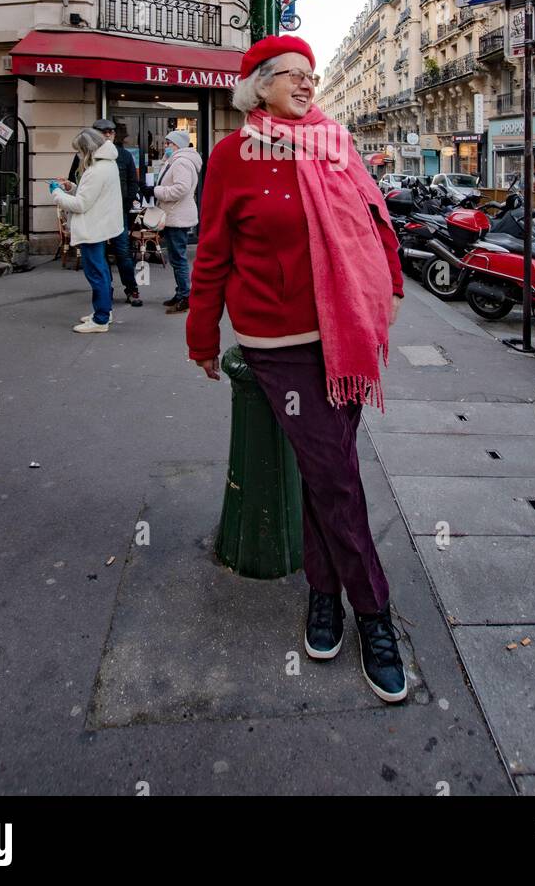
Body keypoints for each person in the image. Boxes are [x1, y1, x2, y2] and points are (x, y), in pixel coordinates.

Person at [185, 34, 408, 703]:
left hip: (347, 335)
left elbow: (372, 220)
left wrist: (388, 283)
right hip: (277, 342)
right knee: (336, 476)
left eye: (312, 75)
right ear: (257, 84)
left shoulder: (334, 144)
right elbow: (212, 251)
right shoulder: (232, 156)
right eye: (292, 74)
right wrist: (202, 336)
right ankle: (374, 614)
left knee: (325, 473)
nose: (308, 83)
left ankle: (322, 594)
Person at [50, 128, 124, 333]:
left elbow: (81, 205)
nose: (78, 155)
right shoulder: (107, 164)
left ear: (87, 149)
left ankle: (100, 319)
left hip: (92, 226)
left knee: (96, 272)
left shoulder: (96, 170)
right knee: (102, 271)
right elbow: (91, 195)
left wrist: (56, 193)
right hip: (101, 224)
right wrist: (71, 188)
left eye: (79, 151)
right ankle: (104, 312)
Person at [64, 117, 142, 307]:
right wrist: (70, 187)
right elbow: (76, 178)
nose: (108, 135)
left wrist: (123, 205)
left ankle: (131, 289)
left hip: (117, 212)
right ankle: (105, 291)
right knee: (100, 254)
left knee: (122, 252)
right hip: (93, 212)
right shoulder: (82, 156)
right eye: (104, 132)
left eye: (111, 132)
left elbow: (133, 182)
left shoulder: (123, 155)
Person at [153, 129, 202, 314]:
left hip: (178, 216)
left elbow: (180, 189)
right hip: (175, 215)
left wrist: (156, 191)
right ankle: (181, 292)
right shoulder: (176, 161)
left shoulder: (181, 162)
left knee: (178, 260)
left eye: (169, 144)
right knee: (176, 259)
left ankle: (185, 296)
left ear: (177, 145)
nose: (166, 146)